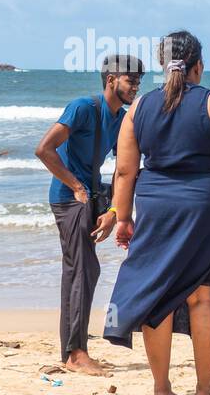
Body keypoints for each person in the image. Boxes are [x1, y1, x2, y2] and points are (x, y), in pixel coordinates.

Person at [103, 31, 210, 395]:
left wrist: (123, 217)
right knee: (202, 297)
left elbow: (125, 172)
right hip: (203, 209)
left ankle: (161, 389)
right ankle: (205, 388)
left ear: (162, 64)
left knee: (156, 292)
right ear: (199, 65)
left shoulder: (139, 108)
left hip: (155, 208)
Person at [35, 54, 142, 376]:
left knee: (83, 271)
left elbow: (126, 168)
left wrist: (114, 211)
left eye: (138, 82)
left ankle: (74, 350)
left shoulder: (121, 118)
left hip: (93, 198)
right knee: (81, 270)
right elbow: (44, 149)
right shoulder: (83, 107)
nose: (136, 87)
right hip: (70, 200)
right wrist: (75, 185)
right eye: (131, 81)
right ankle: (75, 354)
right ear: (111, 80)